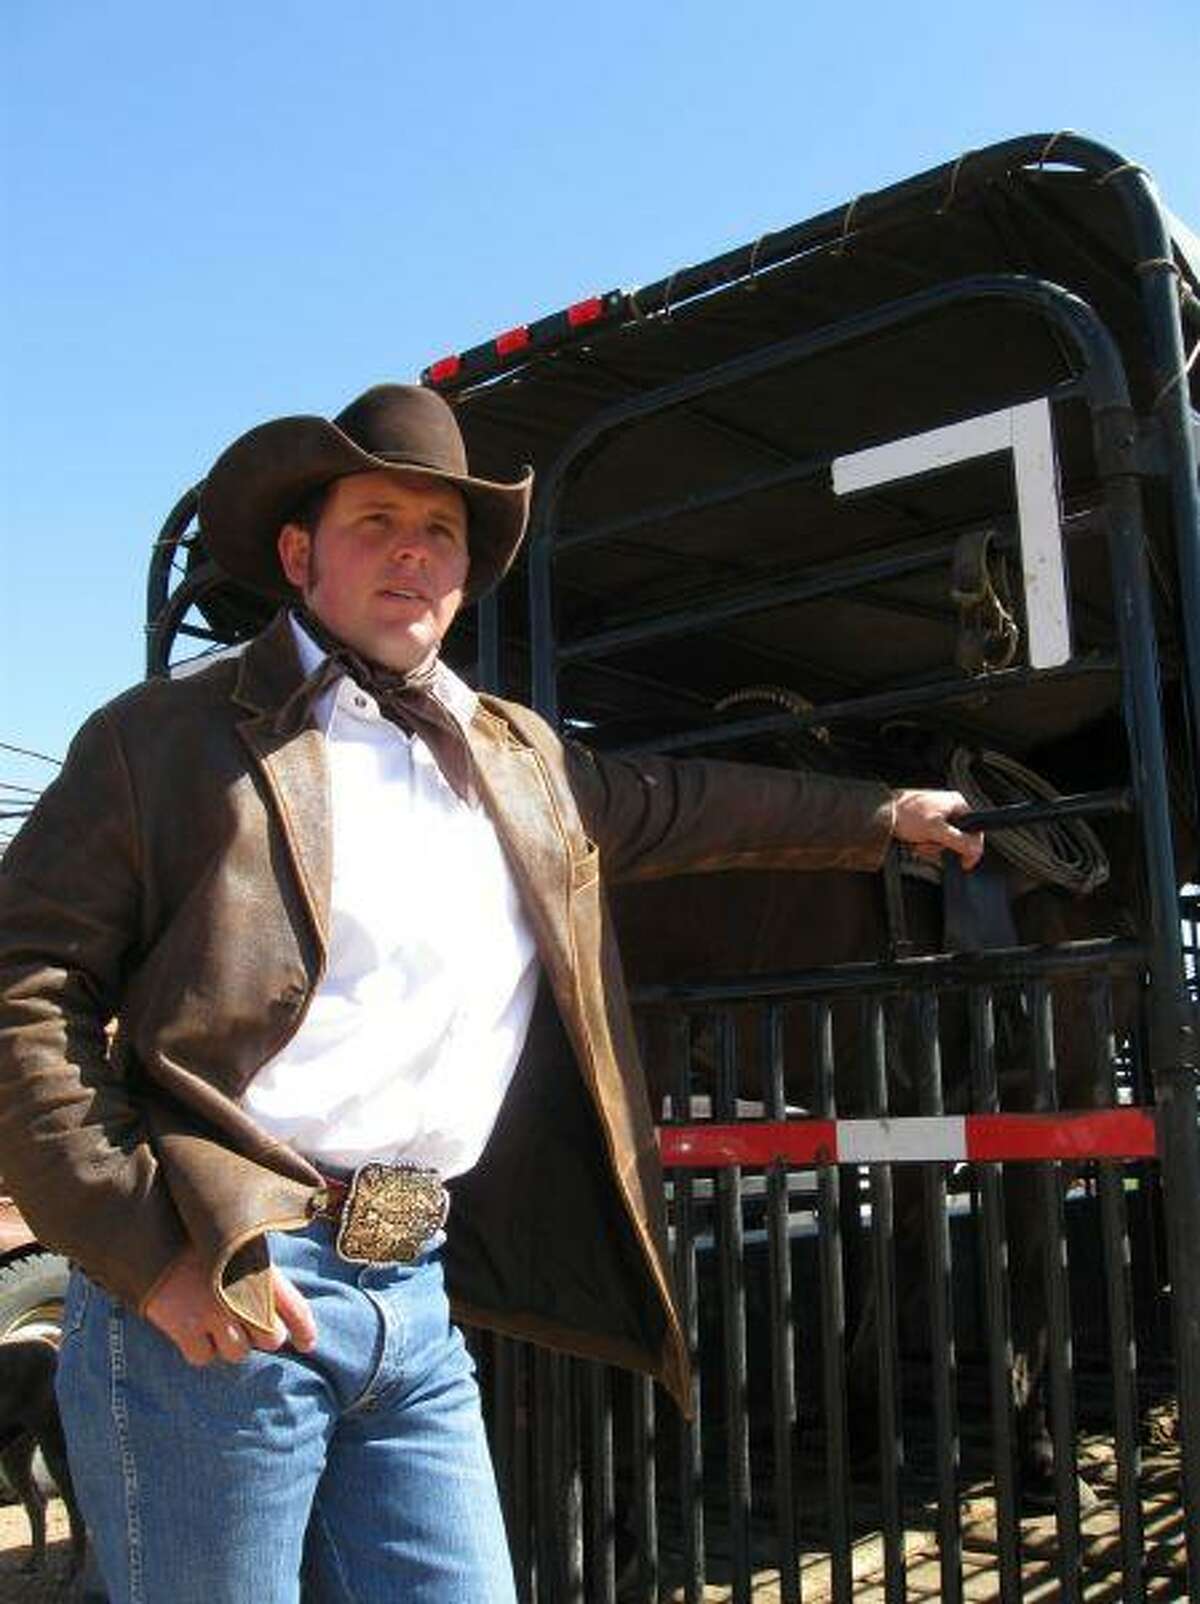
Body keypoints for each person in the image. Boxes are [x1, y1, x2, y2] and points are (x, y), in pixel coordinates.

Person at [0, 384, 982, 1602]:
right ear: (300, 554)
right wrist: (145, 1251)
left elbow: (687, 803)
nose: (414, 550)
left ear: (466, 573)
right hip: (224, 1286)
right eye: (376, 521)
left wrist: (880, 817)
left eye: (442, 530)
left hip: (415, 1295)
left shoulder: (518, 755)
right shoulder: (163, 741)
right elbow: (21, 988)